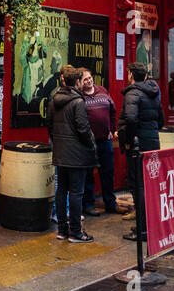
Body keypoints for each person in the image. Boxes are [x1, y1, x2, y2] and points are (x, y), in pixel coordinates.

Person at [48, 65, 96, 242]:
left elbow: (50, 127)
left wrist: (59, 143)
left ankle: (62, 230)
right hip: (76, 155)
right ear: (77, 82)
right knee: (76, 193)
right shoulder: (78, 102)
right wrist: (90, 144)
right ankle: (76, 232)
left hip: (61, 153)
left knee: (62, 191)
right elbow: (83, 128)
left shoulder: (54, 100)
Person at [118, 62, 162, 242]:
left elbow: (130, 118)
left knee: (138, 186)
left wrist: (128, 141)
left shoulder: (132, 93)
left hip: (137, 145)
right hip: (152, 141)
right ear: (145, 76)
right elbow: (161, 118)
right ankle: (150, 225)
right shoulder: (154, 92)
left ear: (130, 75)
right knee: (149, 183)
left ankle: (142, 229)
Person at [80, 68, 127, 215]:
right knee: (88, 175)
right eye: (85, 79)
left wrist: (112, 130)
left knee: (107, 173)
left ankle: (110, 204)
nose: (89, 81)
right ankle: (88, 205)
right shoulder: (79, 96)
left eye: (89, 77)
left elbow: (113, 110)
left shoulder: (102, 90)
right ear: (80, 82)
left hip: (105, 141)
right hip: (88, 143)